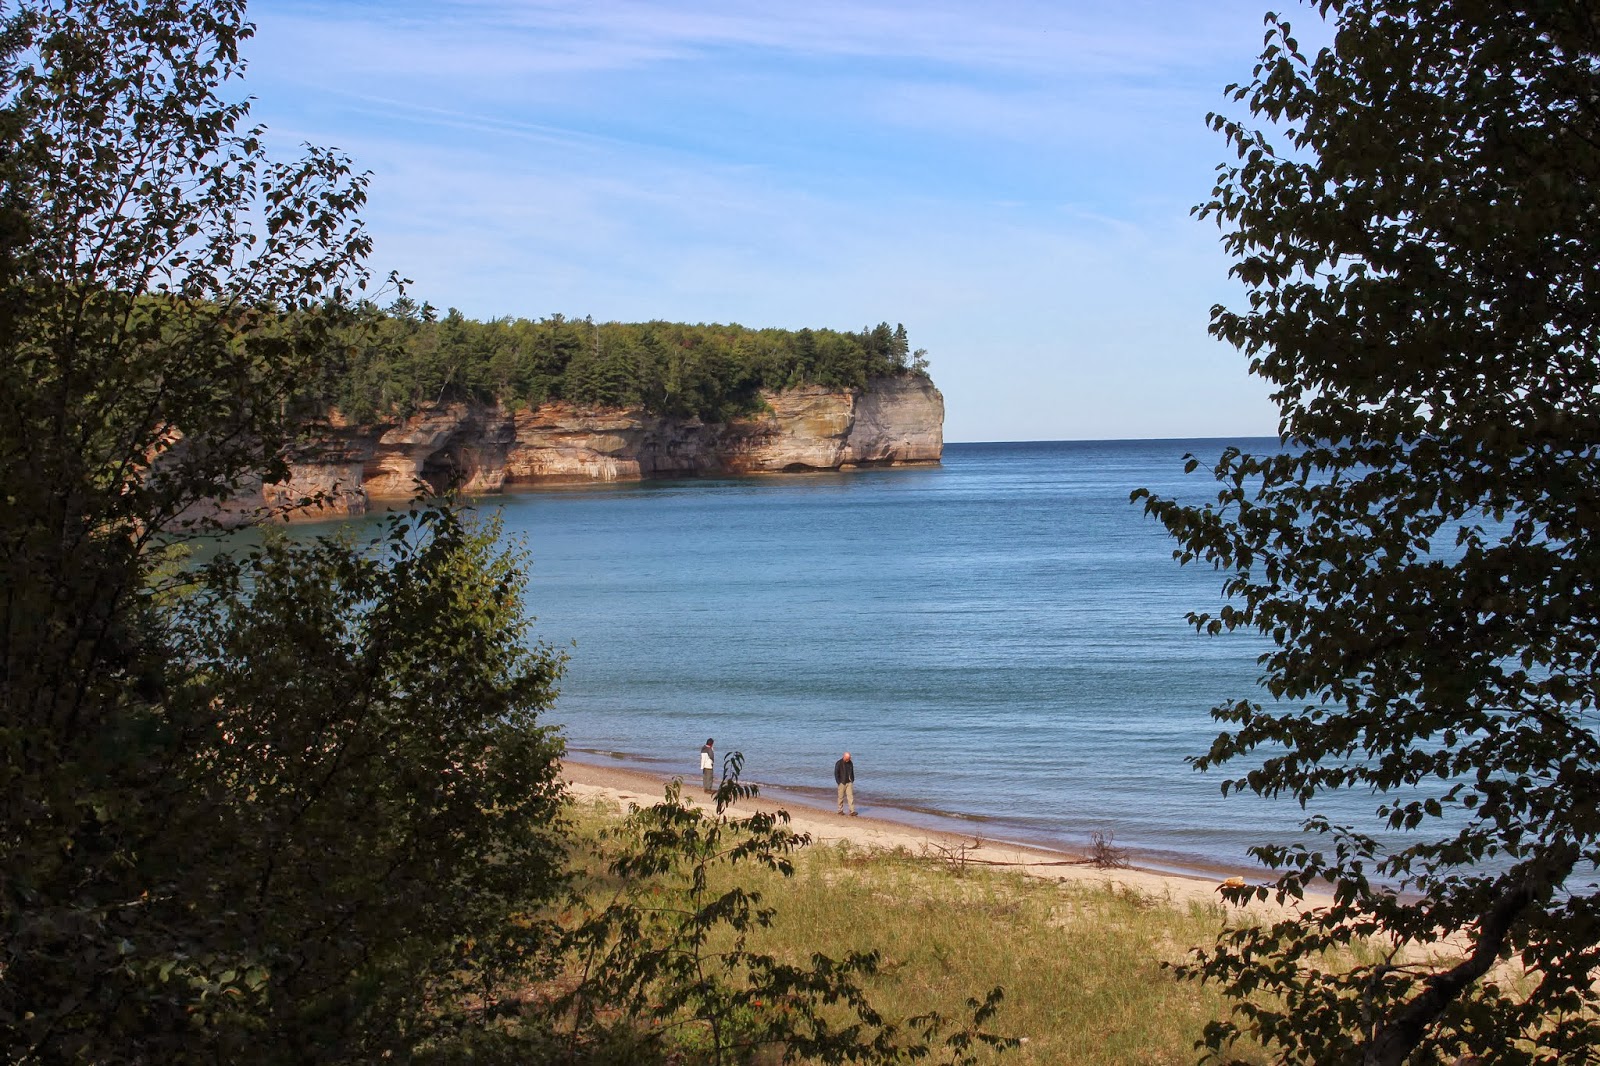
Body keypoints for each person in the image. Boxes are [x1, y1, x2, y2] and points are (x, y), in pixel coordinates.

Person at [834, 751, 856, 815]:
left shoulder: (850, 763)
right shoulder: (838, 763)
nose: (849, 759)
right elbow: (836, 773)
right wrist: (839, 782)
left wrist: (852, 779)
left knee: (850, 797)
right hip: (842, 782)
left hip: (849, 782)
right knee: (840, 797)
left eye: (849, 758)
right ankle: (840, 810)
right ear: (844, 757)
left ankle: (852, 811)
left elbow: (852, 772)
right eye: (848, 758)